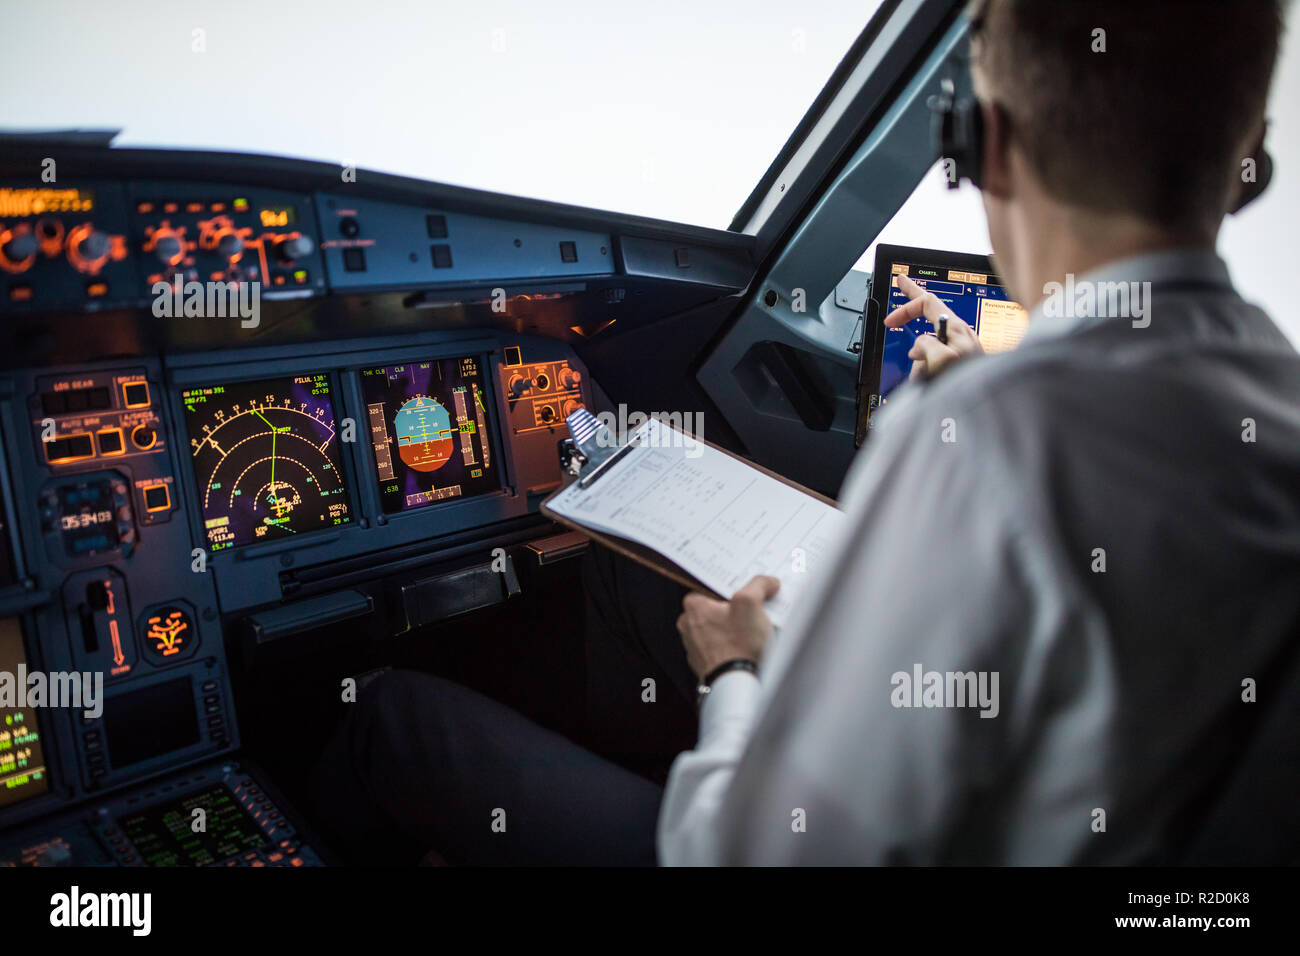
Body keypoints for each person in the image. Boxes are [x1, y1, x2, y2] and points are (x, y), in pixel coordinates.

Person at [314, 0, 1299, 865]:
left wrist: (734, 674)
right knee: (623, 576)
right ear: (1245, 158)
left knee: (386, 712)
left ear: (988, 144)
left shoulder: (994, 428)